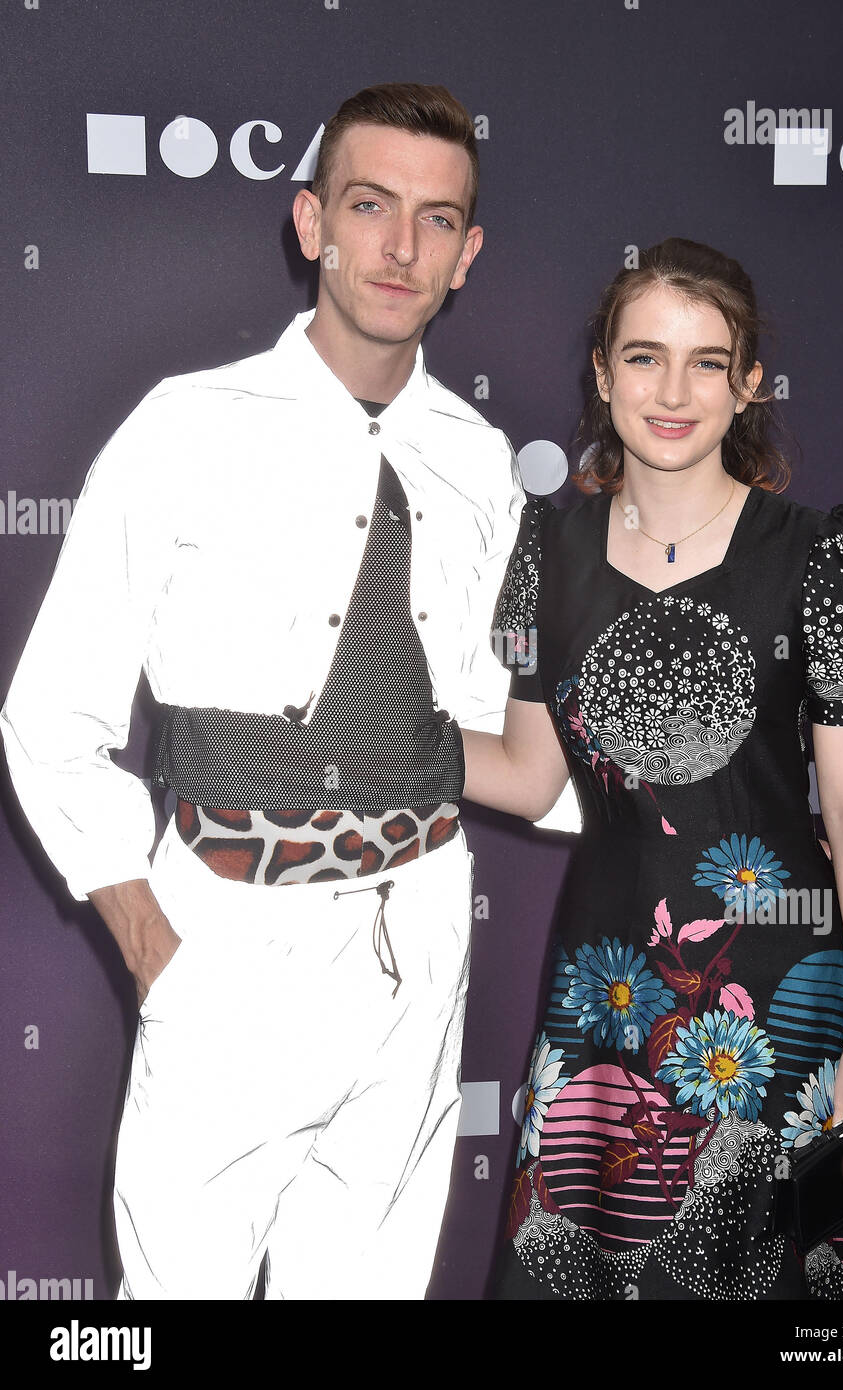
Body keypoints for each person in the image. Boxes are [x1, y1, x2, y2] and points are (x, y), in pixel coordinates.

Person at [1, 82, 524, 1300]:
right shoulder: (186, 428)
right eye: (369, 204)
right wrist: (151, 939)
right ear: (310, 224)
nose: (401, 247)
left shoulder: (476, 459)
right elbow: (54, 712)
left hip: (416, 932)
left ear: (467, 254)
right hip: (225, 934)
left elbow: (497, 721)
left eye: (436, 219)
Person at [462, 238, 843, 1300]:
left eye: (705, 361)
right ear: (601, 375)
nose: (671, 390)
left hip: (787, 1000)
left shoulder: (815, 552)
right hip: (604, 1002)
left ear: (746, 384)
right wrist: (362, 736)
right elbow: (524, 774)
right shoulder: (546, 552)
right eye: (643, 358)